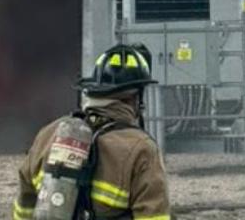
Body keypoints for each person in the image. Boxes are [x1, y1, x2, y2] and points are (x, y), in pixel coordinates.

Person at [13, 43, 170, 220]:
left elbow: (24, 206)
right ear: (135, 98)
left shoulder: (48, 134)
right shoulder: (141, 149)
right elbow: (154, 216)